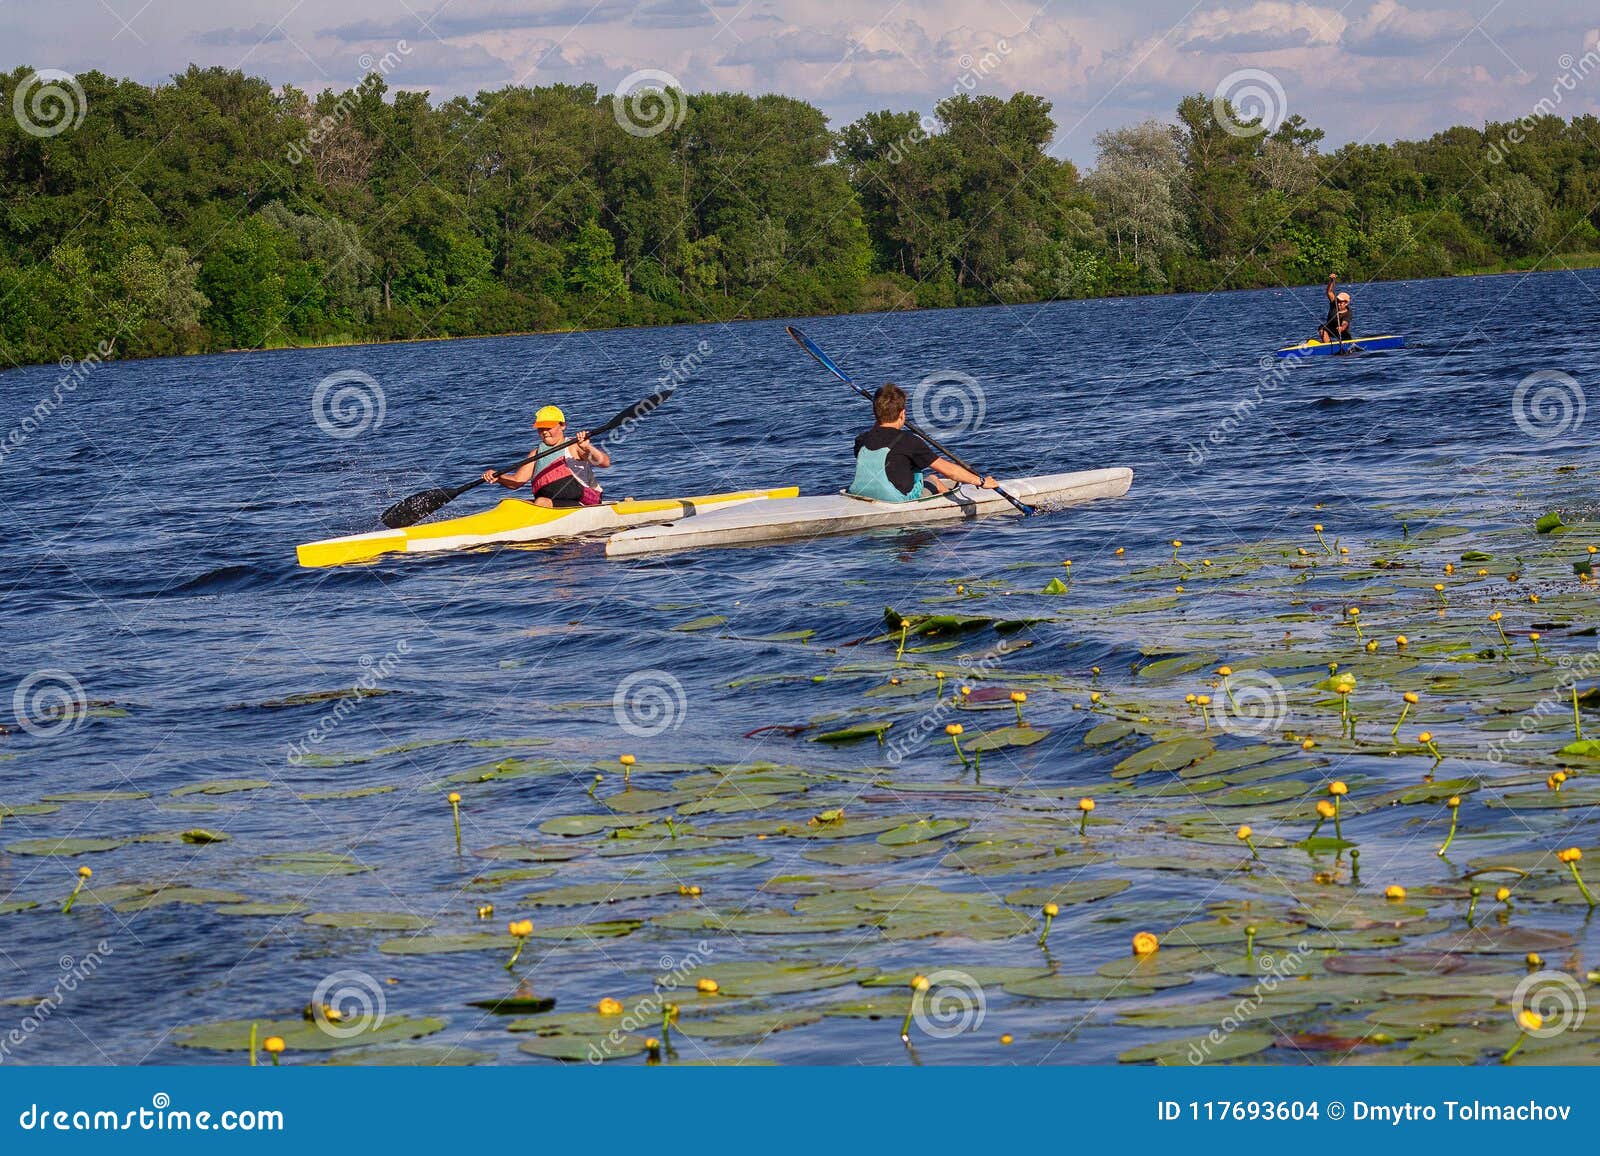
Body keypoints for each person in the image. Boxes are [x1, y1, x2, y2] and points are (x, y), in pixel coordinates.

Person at [849, 383, 997, 502]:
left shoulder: (861, 439)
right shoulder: (910, 441)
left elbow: (878, 435)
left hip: (860, 493)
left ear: (876, 414)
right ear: (902, 414)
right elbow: (950, 472)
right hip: (896, 499)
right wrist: (982, 482)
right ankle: (951, 511)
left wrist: (880, 416)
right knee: (932, 478)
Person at [482, 405, 610, 507]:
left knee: (541, 502)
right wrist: (499, 477)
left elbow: (605, 463)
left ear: (562, 426)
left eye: (548, 427)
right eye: (541, 428)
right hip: (552, 505)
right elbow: (516, 482)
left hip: (585, 504)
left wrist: (588, 448)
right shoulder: (535, 454)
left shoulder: (574, 446)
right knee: (515, 504)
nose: (544, 432)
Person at [1318, 274, 1354, 344]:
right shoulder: (1334, 304)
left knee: (1347, 340)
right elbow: (1329, 292)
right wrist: (1332, 281)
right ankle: (1327, 345)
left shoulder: (1348, 313)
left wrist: (1341, 328)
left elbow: (1345, 323)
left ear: (1346, 303)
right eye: (1338, 301)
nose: (1338, 303)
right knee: (1322, 328)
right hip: (1331, 329)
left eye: (1341, 302)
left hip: (1343, 332)